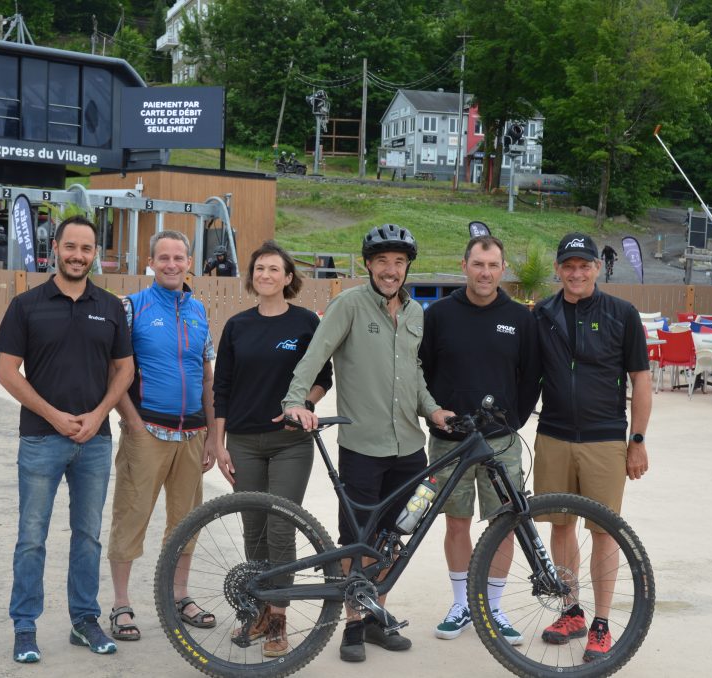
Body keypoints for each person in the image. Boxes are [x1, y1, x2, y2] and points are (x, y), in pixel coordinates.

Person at [281, 224, 452, 663]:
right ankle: (353, 624)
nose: (391, 270)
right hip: (362, 445)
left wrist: (433, 410)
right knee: (356, 537)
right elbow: (315, 356)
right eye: (382, 261)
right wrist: (295, 401)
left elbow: (414, 375)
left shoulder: (415, 314)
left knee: (395, 537)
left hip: (409, 445)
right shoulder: (349, 305)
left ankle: (376, 614)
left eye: (399, 262)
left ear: (407, 267)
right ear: (369, 265)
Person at [0, 215, 135, 663]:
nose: (78, 255)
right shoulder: (27, 305)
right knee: (31, 537)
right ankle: (24, 626)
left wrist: (99, 414)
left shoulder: (110, 306)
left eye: (86, 248)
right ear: (54, 248)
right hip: (40, 439)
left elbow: (125, 370)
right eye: (70, 247)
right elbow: (6, 372)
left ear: (95, 255)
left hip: (94, 440)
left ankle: (84, 620)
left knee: (88, 536)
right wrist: (53, 416)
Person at [532, 232, 651, 663]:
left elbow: (641, 379)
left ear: (597, 268)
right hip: (554, 434)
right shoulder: (542, 313)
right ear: (558, 269)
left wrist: (637, 440)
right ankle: (571, 611)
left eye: (585, 265)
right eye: (569, 266)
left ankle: (601, 622)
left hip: (605, 437)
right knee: (560, 525)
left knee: (604, 531)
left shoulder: (622, 314)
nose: (576, 273)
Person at [211, 240, 333, 657]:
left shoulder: (305, 323)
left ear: (287, 278)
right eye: (259, 268)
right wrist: (219, 442)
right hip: (243, 441)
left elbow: (324, 377)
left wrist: (305, 404)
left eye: (273, 269)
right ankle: (259, 609)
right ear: (252, 276)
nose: (265, 275)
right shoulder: (237, 325)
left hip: (290, 443)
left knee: (281, 526)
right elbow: (222, 387)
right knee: (254, 528)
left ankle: (279, 619)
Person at [418, 235, 541, 645]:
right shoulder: (439, 315)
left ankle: (492, 608)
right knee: (456, 522)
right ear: (464, 266)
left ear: (503, 269)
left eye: (492, 265)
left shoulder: (520, 319)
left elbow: (531, 377)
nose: (485, 273)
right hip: (449, 440)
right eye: (477, 264)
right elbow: (423, 372)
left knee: (504, 523)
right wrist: (435, 413)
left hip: (500, 442)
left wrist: (514, 420)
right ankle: (462, 605)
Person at [107, 230, 218, 642]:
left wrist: (212, 436)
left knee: (187, 522)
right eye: (164, 258)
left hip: (192, 435)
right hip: (148, 433)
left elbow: (206, 376)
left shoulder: (198, 309)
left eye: (179, 258)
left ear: (189, 263)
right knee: (131, 517)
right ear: (150, 262)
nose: (172, 264)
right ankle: (121, 604)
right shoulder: (132, 307)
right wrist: (133, 424)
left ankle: (179, 596)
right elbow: (114, 371)